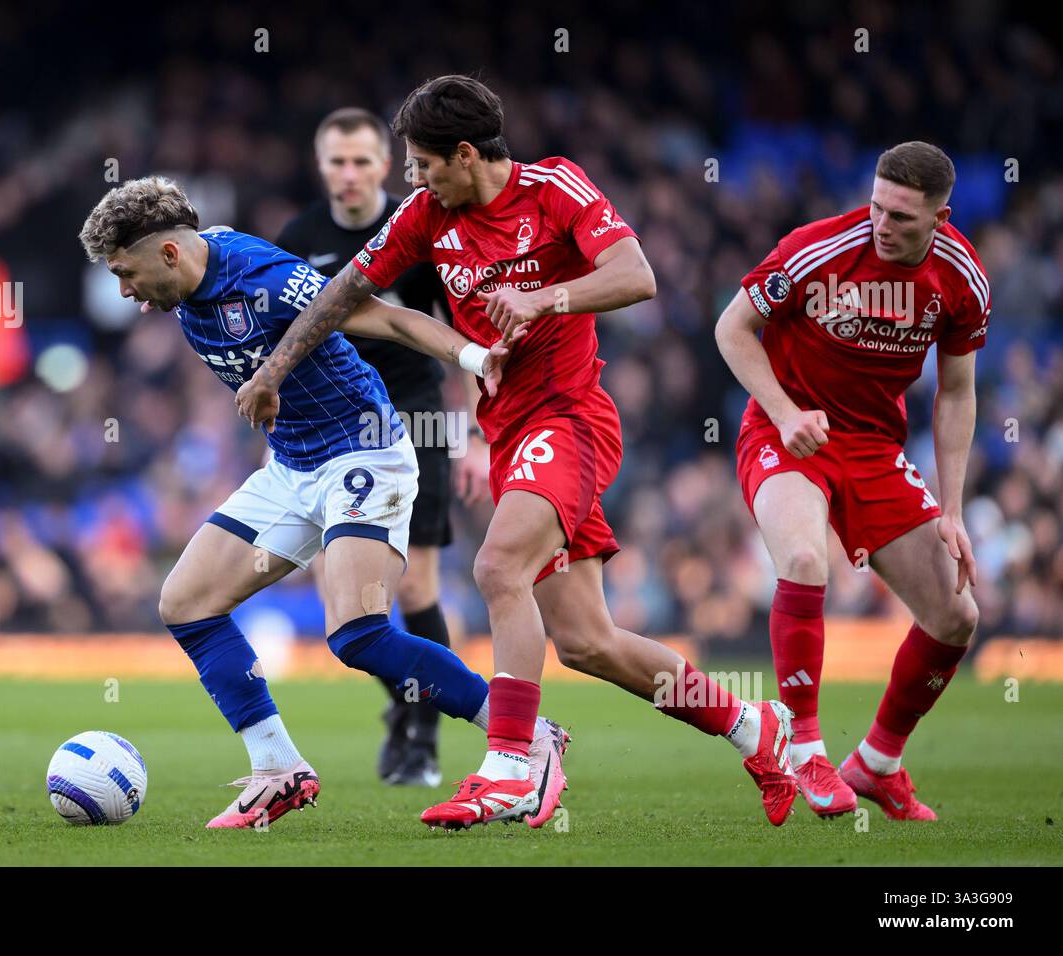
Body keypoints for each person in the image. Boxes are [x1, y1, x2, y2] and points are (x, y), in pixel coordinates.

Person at [237, 76, 798, 830]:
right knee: (588, 644)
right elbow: (341, 293)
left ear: (465, 155)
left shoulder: (556, 187)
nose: (415, 178)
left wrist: (546, 298)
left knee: (497, 567)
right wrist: (271, 372)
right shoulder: (425, 216)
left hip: (570, 420)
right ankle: (752, 727)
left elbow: (638, 276)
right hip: (511, 435)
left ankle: (511, 764)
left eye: (425, 164)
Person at [78, 174, 567, 830]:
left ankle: (529, 734)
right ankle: (278, 768)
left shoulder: (265, 277)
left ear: (169, 253)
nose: (126, 293)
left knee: (358, 635)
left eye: (125, 273)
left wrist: (473, 355)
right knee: (186, 604)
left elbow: (386, 315)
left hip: (364, 455)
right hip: (292, 465)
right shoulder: (186, 283)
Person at [714, 141, 988, 821]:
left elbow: (956, 393)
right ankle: (804, 748)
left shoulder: (961, 277)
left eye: (900, 216)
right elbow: (732, 327)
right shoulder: (819, 249)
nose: (882, 225)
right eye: (875, 206)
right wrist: (782, 411)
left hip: (872, 447)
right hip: (786, 431)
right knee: (804, 559)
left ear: (941, 217)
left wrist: (952, 509)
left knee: (957, 614)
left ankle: (876, 763)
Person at [276, 107, 454, 787]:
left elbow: (453, 328)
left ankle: (424, 741)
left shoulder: (419, 230)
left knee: (419, 586)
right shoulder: (299, 237)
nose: (348, 174)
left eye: (361, 161)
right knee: (351, 600)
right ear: (321, 166)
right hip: (336, 421)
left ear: (387, 165)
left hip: (416, 415)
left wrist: (475, 437)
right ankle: (409, 710)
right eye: (336, 161)